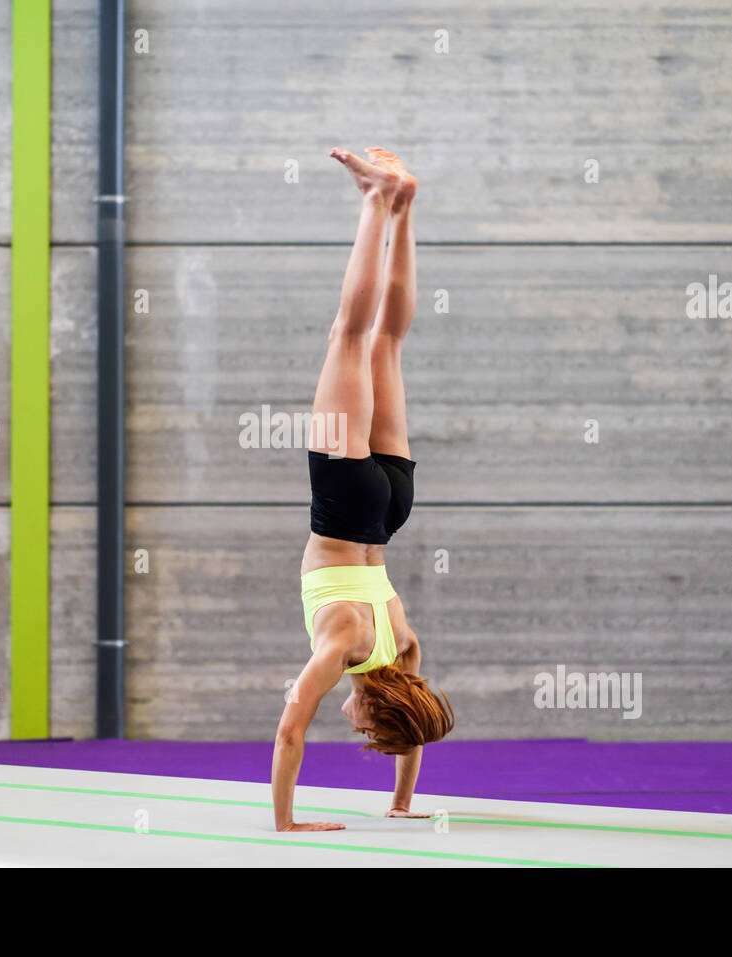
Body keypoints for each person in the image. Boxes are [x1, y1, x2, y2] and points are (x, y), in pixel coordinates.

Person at [271, 147, 455, 832]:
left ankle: (403, 204)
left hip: (389, 510)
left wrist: (403, 799)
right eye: (366, 730)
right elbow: (291, 730)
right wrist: (287, 822)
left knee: (386, 344)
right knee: (349, 336)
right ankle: (377, 198)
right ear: (376, 706)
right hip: (345, 505)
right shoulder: (349, 642)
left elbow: (413, 733)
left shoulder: (405, 647)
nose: (355, 730)